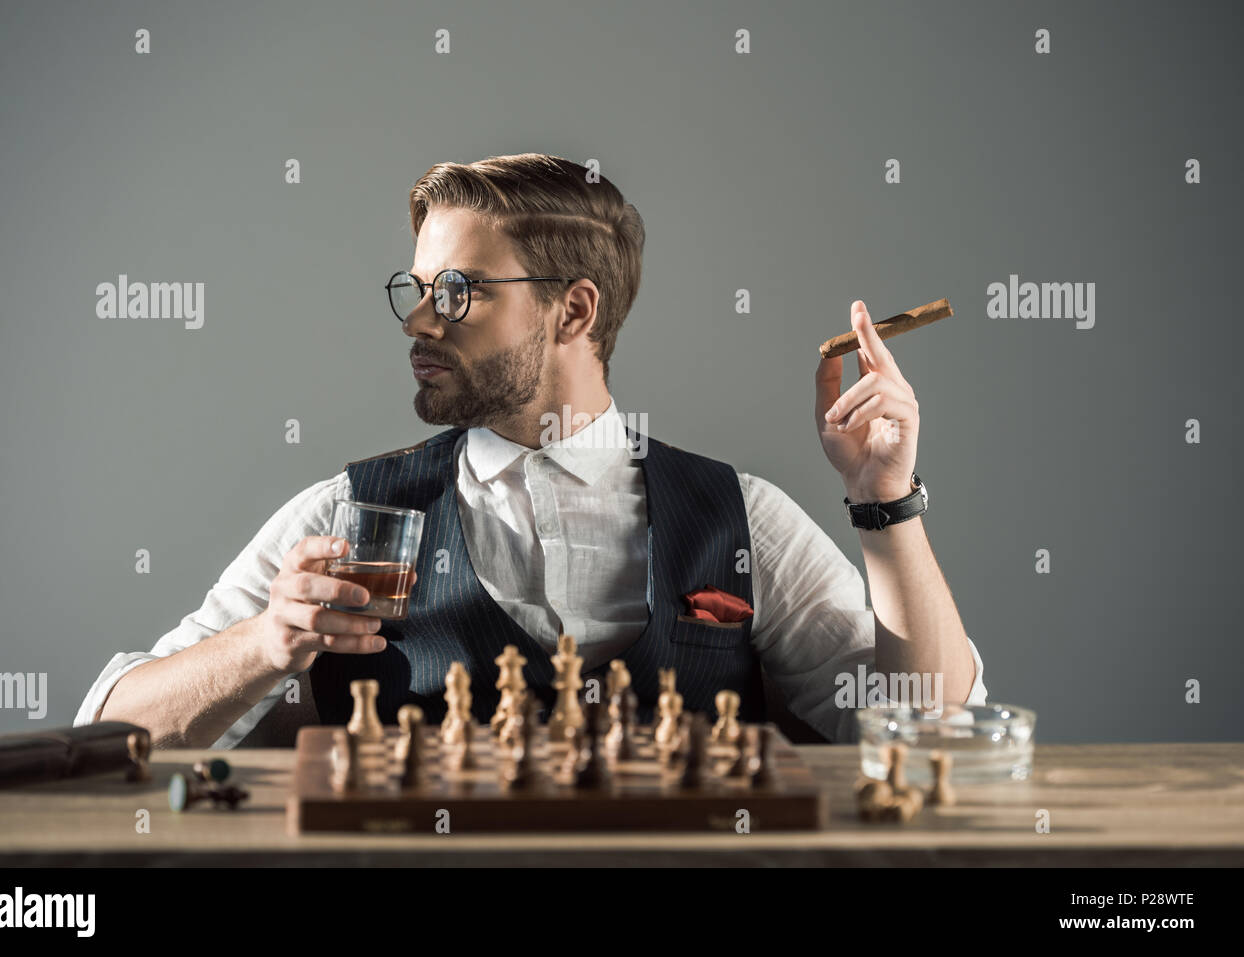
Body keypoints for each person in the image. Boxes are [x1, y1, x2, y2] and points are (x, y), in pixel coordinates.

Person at [75, 152, 987, 748]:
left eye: (460, 291)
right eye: (418, 288)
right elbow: (108, 728)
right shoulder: (353, 515)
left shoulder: (737, 517)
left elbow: (935, 729)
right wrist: (262, 644)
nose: (420, 322)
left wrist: (886, 501)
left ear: (574, 311)